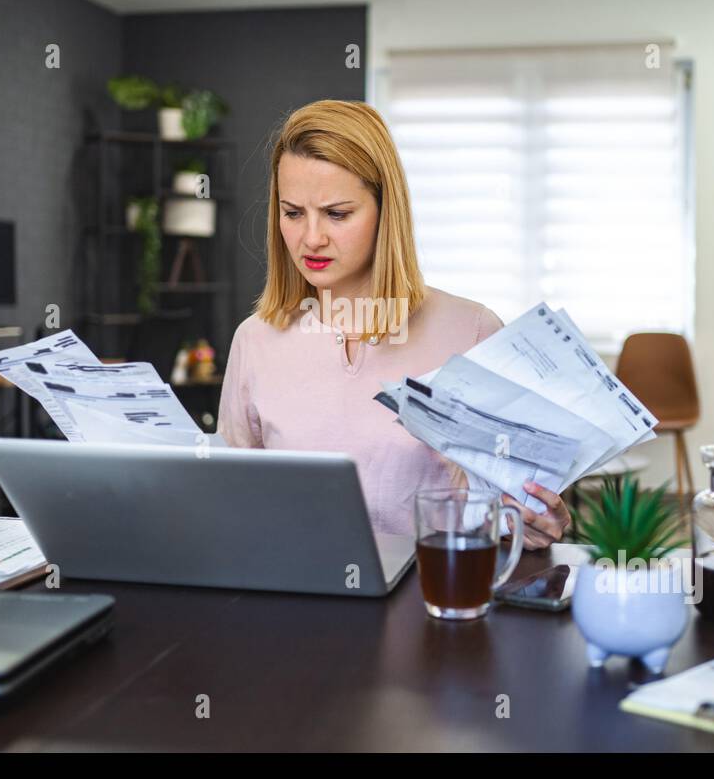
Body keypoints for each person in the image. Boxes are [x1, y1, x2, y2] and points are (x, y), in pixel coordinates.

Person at [216, 99, 571, 548]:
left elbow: (516, 507)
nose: (311, 238)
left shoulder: (472, 331)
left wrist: (536, 524)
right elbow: (231, 500)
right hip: (296, 596)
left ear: (386, 211)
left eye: (337, 213)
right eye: (293, 213)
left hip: (432, 599)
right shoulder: (255, 340)